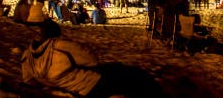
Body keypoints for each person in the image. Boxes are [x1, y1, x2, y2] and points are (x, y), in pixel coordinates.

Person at [21, 20, 164, 97]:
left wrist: (50, 82)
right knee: (134, 76)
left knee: (118, 70)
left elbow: (27, 79)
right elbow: (92, 61)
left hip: (63, 85)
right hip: (89, 85)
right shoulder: (60, 46)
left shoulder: (28, 54)